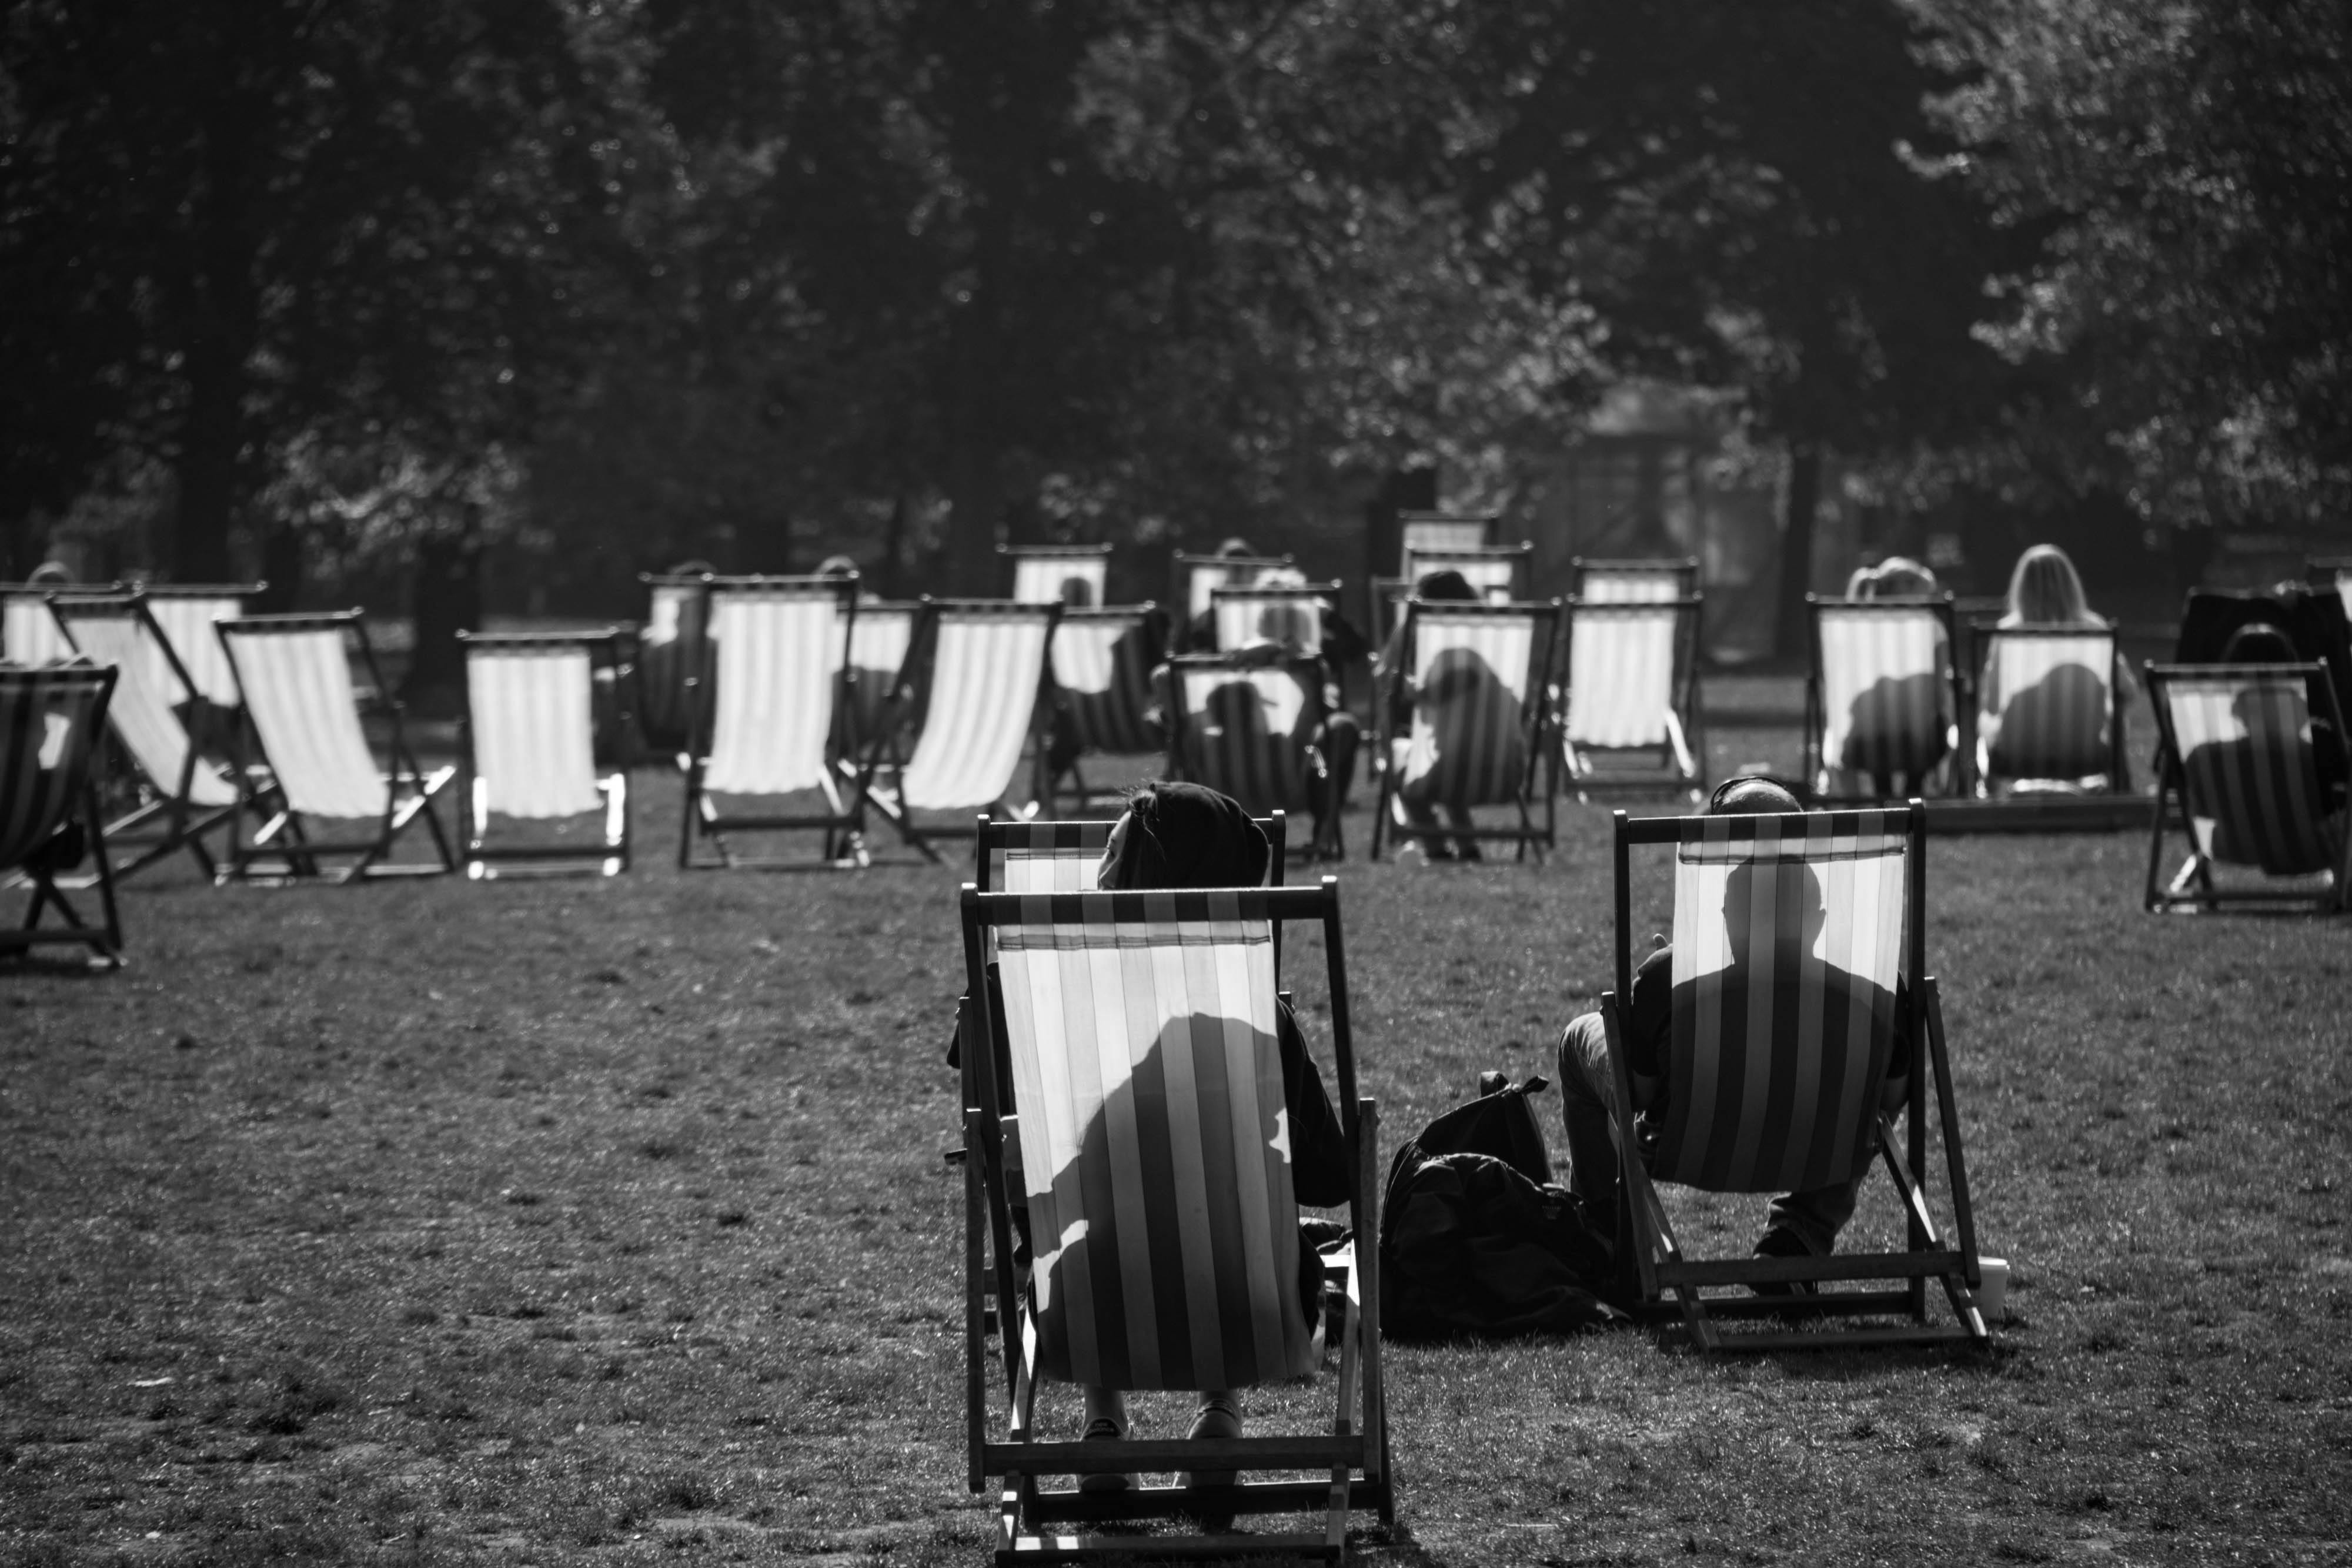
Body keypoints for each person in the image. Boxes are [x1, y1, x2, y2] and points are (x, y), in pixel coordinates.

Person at [955, 783, 1349, 1487]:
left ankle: (1103, 1421)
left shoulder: (1025, 998)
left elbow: (1005, 1168)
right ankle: (1219, 1414)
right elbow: (1330, 1180)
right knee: (1217, 1221)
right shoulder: (1255, 1018)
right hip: (1249, 1305)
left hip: (1080, 1306)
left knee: (1087, 1225)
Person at [1553, 776, 1913, 1283]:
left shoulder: (1669, 980)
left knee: (1577, 1041)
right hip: (1824, 1145)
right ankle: (1798, 1238)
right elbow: (1891, 1100)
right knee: (1859, 1107)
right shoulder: (1877, 991)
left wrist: (1660, 995)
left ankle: (1608, 1238)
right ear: (1818, 916)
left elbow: (1640, 1093)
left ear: (1725, 908)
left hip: (1691, 1143)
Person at [1378, 570, 1497, 860]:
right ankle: (1466, 844)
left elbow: (1385, 677)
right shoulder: (1496, 642)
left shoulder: (1435, 648)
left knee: (1406, 761)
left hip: (1441, 756)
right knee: (1446, 754)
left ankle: (1435, 846)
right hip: (1498, 763)